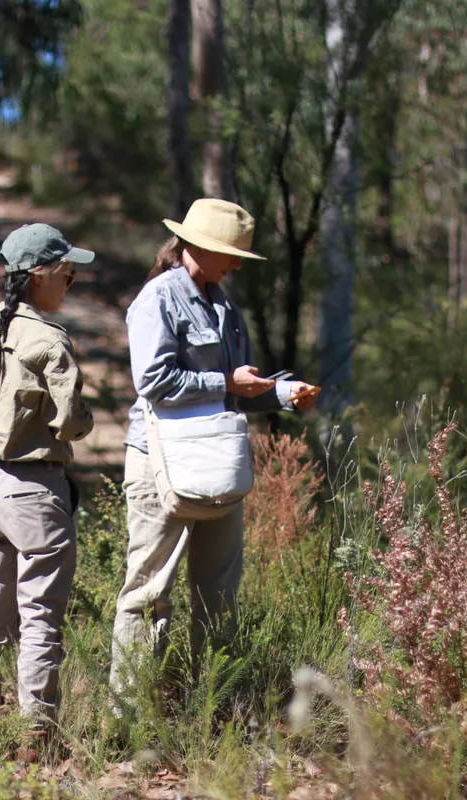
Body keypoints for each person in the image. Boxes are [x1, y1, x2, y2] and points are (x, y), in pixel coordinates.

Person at [109, 199, 318, 692]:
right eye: (230, 253)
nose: (237, 264)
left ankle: (211, 705)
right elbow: (154, 381)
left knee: (220, 592)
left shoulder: (226, 307)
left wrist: (284, 394)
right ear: (196, 246)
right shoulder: (157, 298)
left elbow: (238, 390)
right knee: (149, 590)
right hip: (161, 463)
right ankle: (130, 715)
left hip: (217, 461)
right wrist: (225, 380)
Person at [0, 222, 95, 731]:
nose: (70, 283)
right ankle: (38, 729)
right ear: (39, 275)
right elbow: (71, 421)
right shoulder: (48, 341)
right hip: (34, 486)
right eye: (67, 275)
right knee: (40, 615)